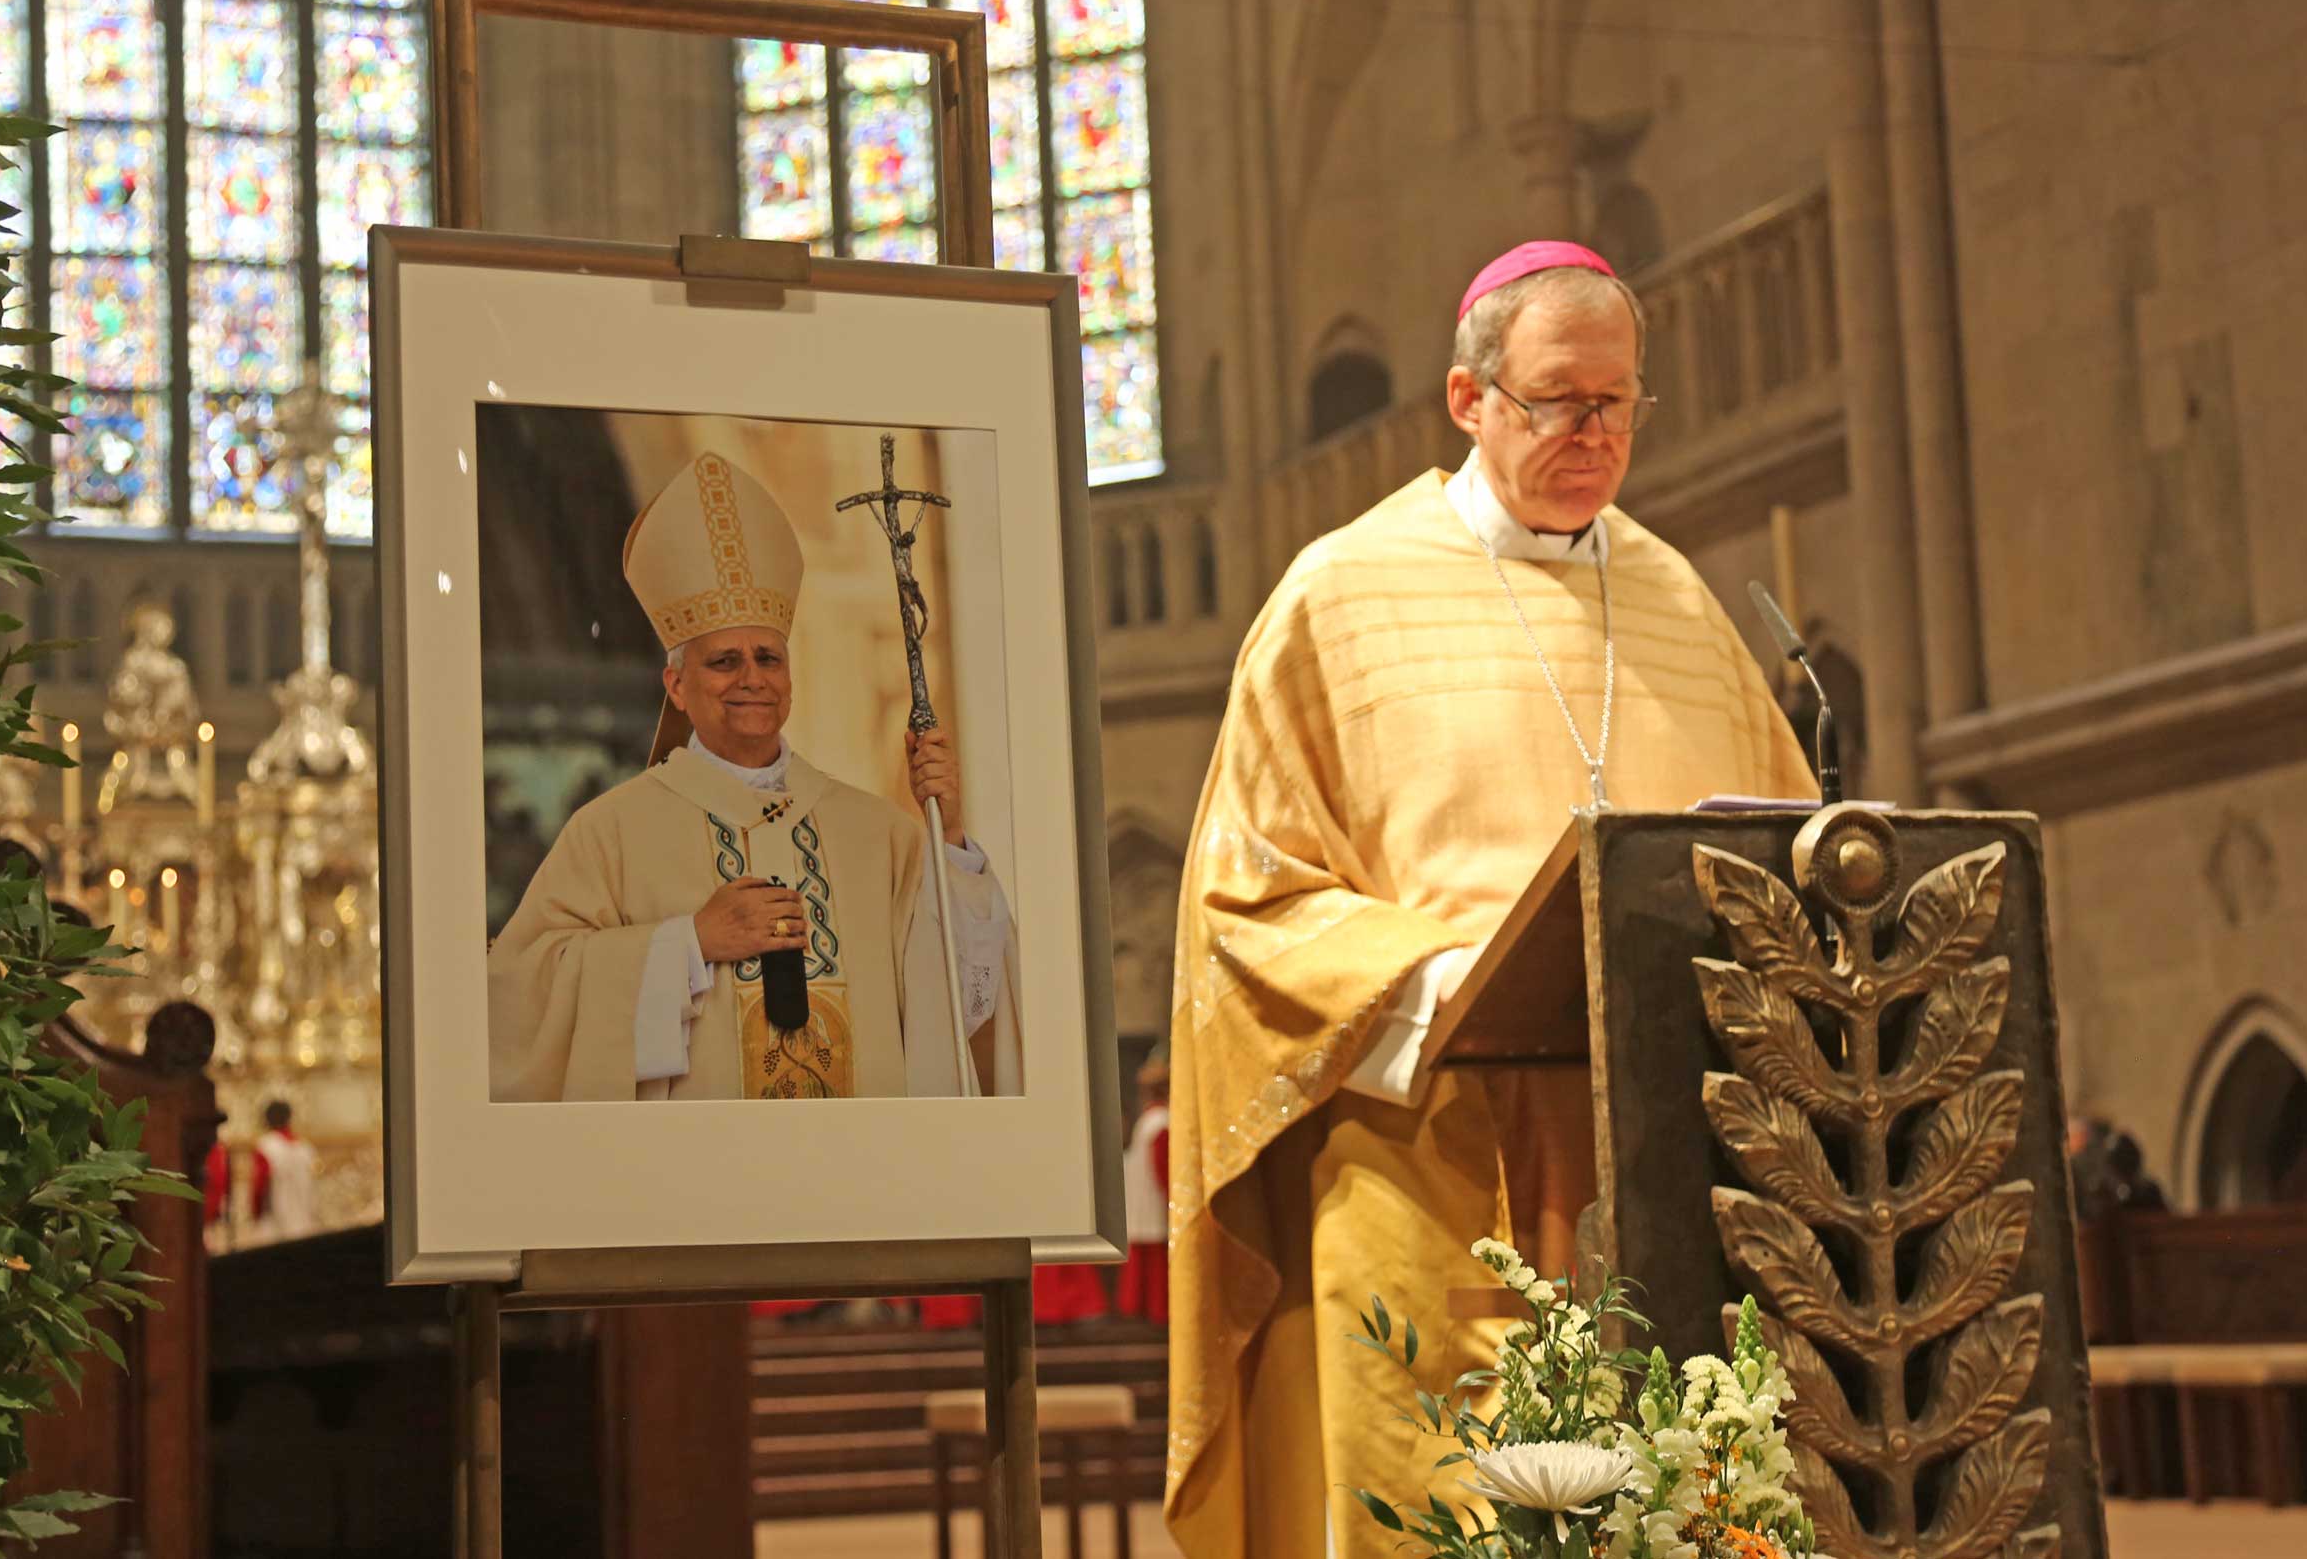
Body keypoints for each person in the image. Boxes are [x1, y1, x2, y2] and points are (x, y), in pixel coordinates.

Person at [1163, 243, 1818, 1557]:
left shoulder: (1683, 602)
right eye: (1555, 399)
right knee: (1440, 1504)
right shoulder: (1338, 596)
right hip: (1429, 1159)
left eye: (1617, 402)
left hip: (1665, 1153)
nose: (1592, 432)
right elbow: (1245, 900)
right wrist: (1447, 980)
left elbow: (1784, 859)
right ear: (1469, 400)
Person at [488, 451, 1022, 1102]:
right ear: (676, 686)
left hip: (860, 1179)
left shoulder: (878, 834)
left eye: (768, 656)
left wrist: (953, 834)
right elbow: (517, 997)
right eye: (723, 661)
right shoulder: (610, 832)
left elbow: (965, 1000)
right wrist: (687, 943)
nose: (751, 677)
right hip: (695, 1184)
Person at [1118, 1045, 1170, 1323]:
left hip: (1144, 1199)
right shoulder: (1161, 1122)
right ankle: (1158, 1312)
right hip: (1154, 1201)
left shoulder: (1149, 1120)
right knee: (1156, 1266)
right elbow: (1164, 1170)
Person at [251, 1099, 320, 1244]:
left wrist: (256, 1216)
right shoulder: (307, 1149)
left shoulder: (265, 1147)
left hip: (275, 1228)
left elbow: (259, 1188)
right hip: (304, 1224)